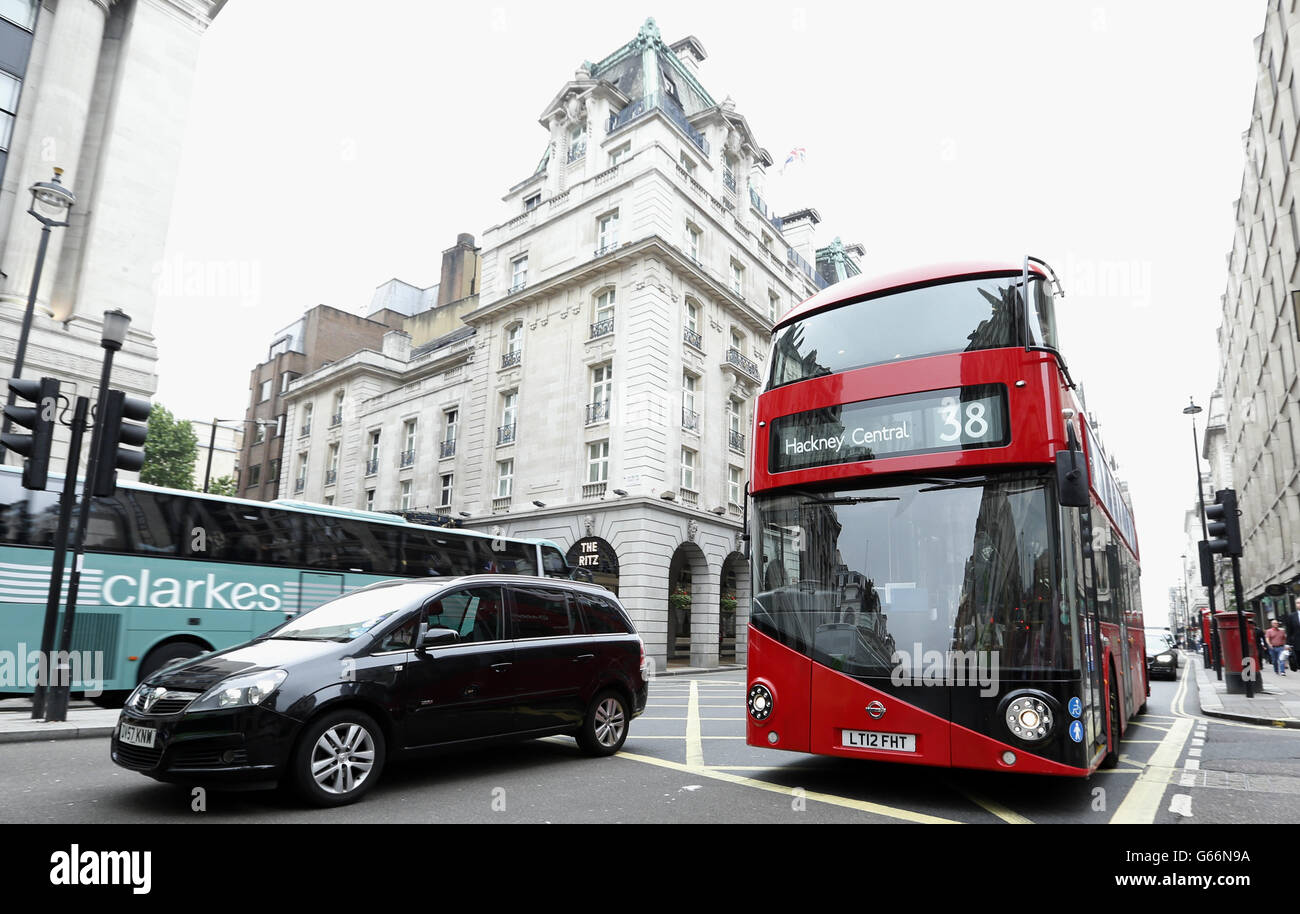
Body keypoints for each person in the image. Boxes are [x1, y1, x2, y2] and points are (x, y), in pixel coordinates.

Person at [1285, 597, 1300, 672]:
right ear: (1296, 605)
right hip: (1297, 644)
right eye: (1298, 603)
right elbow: (1289, 631)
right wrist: (1287, 644)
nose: (1299, 604)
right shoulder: (1292, 616)